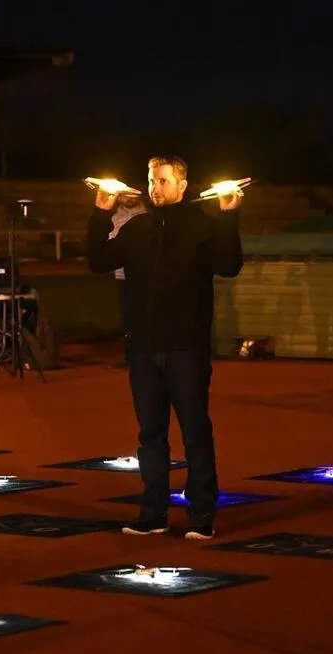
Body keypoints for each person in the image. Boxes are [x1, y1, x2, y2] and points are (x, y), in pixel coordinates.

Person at [86, 156, 243, 540]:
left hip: (186, 346)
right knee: (150, 433)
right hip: (143, 347)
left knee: (194, 430)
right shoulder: (138, 227)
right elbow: (99, 261)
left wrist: (227, 217)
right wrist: (100, 214)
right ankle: (153, 510)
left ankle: (202, 511)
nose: (155, 187)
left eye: (163, 180)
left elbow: (229, 264)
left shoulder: (201, 226)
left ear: (182, 185)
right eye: (152, 180)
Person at [109, 194, 148, 369]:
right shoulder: (116, 217)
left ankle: (143, 353)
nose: (125, 199)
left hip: (142, 274)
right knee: (128, 316)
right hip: (122, 274)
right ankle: (130, 352)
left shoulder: (145, 216)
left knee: (143, 314)